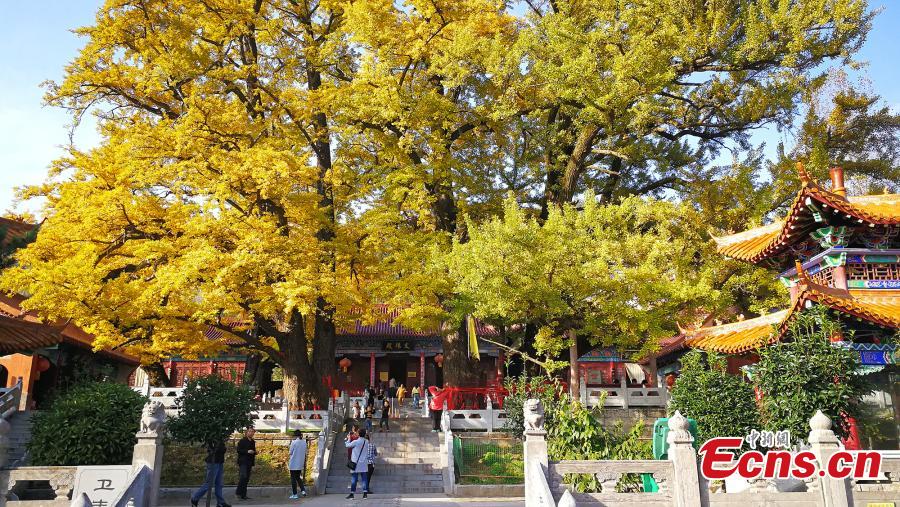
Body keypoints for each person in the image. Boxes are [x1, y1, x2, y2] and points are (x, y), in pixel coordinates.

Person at [190, 438, 229, 507]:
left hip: (219, 462)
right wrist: (222, 446)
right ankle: (195, 498)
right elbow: (216, 449)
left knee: (219, 483)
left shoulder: (220, 437)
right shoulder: (212, 437)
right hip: (213, 462)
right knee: (209, 483)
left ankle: (220, 502)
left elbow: (222, 450)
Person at [344, 428, 371, 499]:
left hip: (355, 463)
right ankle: (365, 493)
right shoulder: (367, 441)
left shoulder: (356, 442)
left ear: (358, 434)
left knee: (354, 478)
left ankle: (352, 494)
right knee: (364, 478)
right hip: (364, 463)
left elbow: (347, 445)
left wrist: (348, 438)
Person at [235, 428, 257, 500]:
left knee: (247, 479)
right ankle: (238, 493)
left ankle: (243, 495)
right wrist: (247, 451)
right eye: (250, 431)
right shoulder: (242, 441)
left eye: (252, 432)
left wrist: (255, 452)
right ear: (246, 433)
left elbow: (253, 450)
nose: (251, 433)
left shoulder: (253, 441)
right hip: (243, 461)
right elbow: (238, 450)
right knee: (243, 477)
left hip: (249, 462)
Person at [288, 430, 308, 499]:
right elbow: (305, 451)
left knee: (293, 478)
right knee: (298, 477)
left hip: (293, 463)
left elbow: (290, 452)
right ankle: (303, 490)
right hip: (300, 463)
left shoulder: (294, 442)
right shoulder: (304, 442)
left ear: (295, 436)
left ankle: (295, 494)